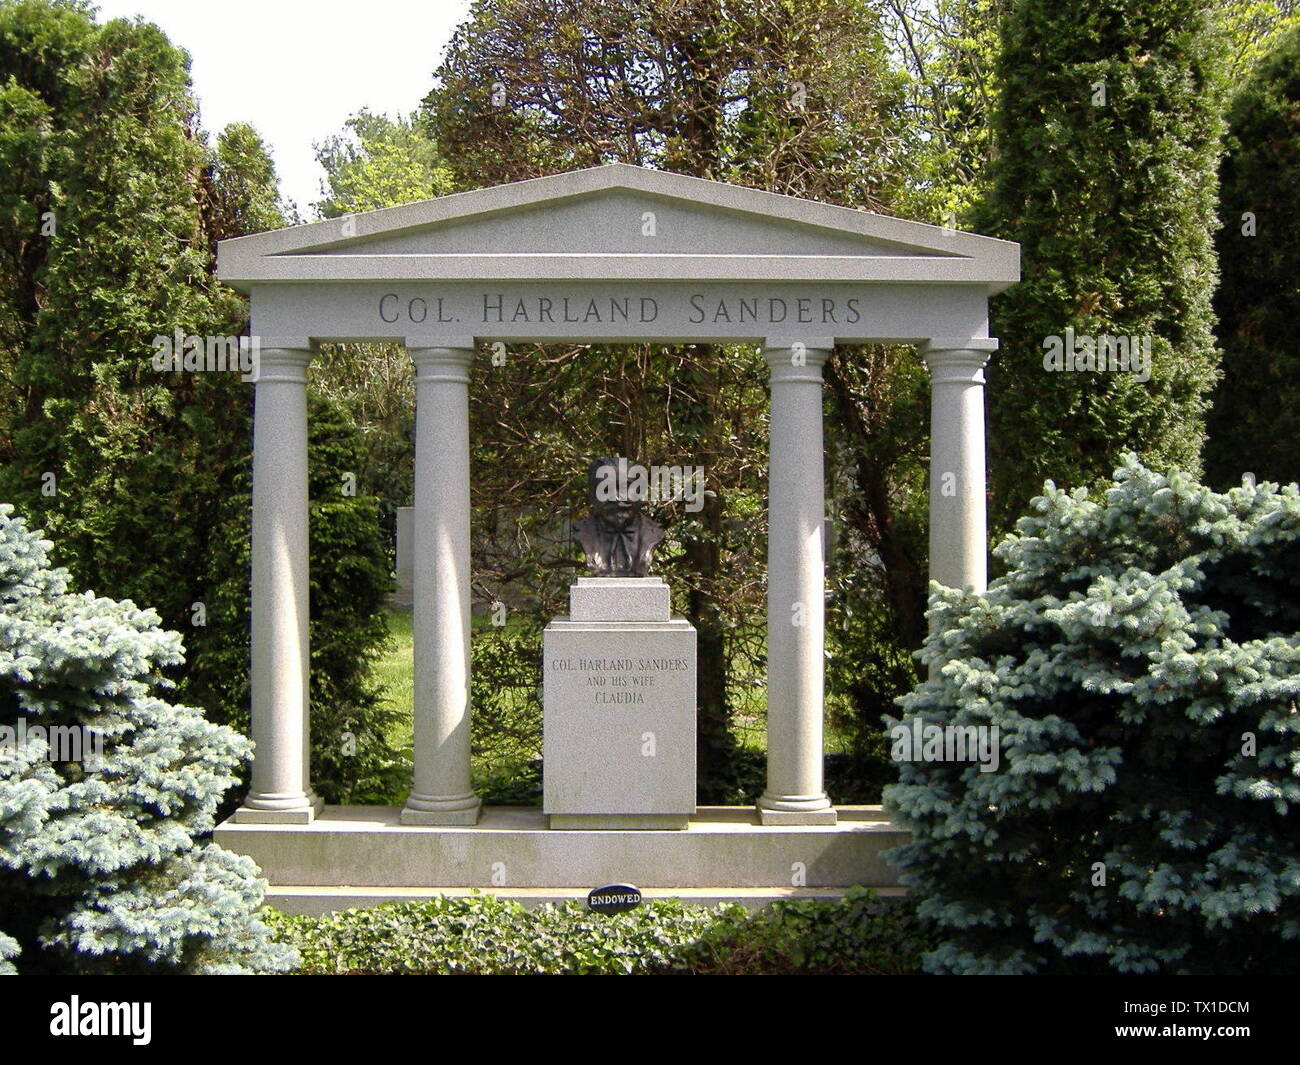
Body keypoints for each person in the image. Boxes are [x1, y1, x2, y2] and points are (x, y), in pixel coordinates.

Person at [572, 457, 664, 576]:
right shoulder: (583, 532)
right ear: (592, 494)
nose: (616, 497)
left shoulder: (654, 533)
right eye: (606, 489)